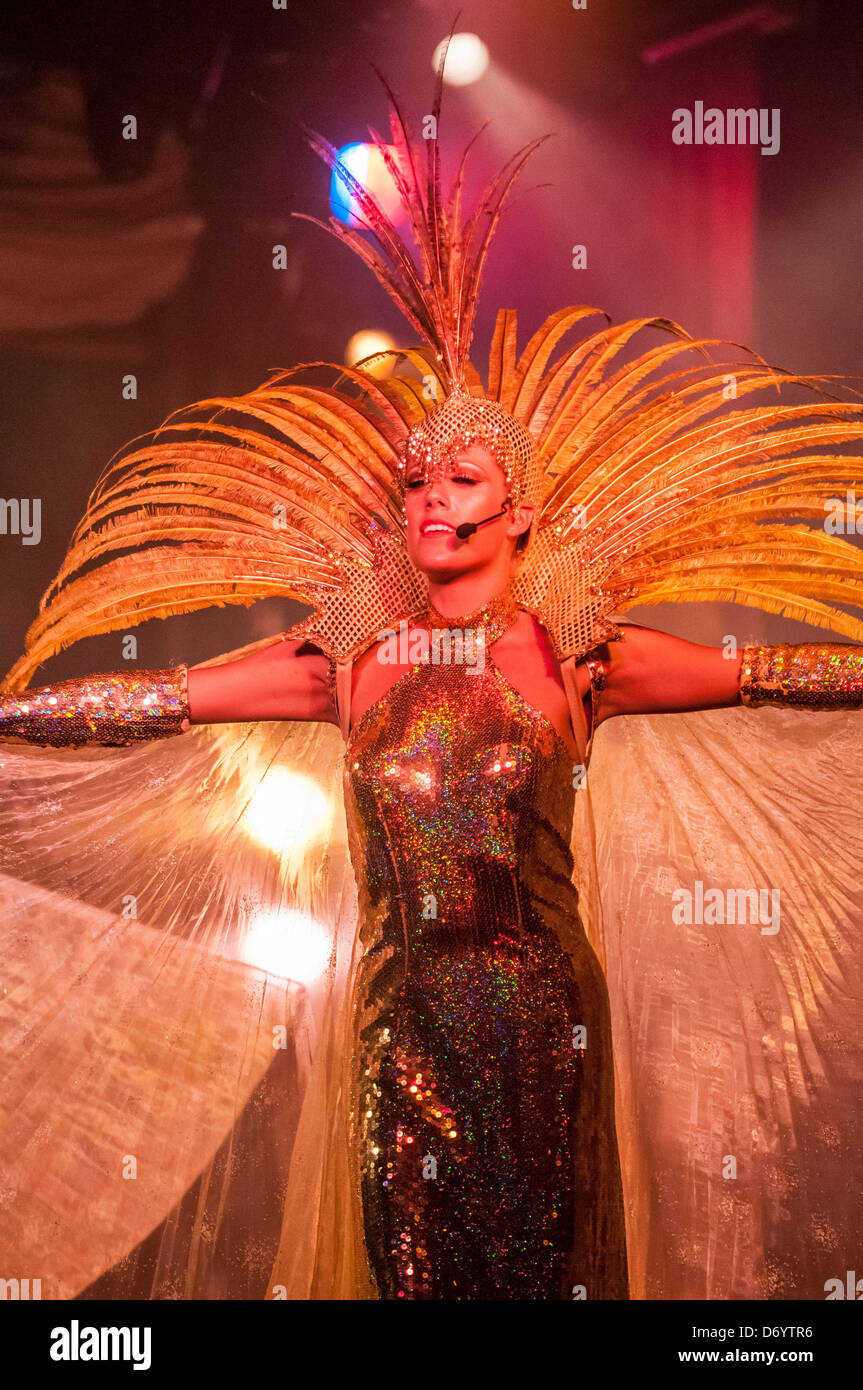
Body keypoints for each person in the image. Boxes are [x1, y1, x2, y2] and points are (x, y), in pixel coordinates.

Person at [2, 49, 863, 1300]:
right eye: (413, 482)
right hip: (399, 1029)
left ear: (514, 506)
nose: (426, 502)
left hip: (540, 1030)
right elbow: (160, 702)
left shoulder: (579, 655)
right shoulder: (349, 660)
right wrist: (15, 716)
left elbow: (765, 670)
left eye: (457, 481)